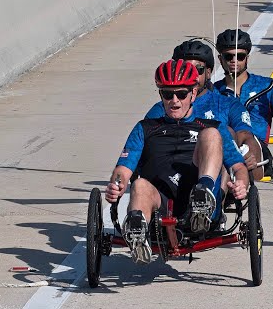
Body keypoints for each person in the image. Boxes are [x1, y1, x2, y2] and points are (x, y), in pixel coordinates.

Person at [105, 60, 251, 264]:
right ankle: (138, 230)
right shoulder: (145, 128)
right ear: (160, 96)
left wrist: (241, 184)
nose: (174, 101)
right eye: (167, 94)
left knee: (211, 134)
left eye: (181, 94)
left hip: (197, 197)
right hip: (160, 203)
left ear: (193, 93)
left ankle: (203, 197)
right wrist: (116, 185)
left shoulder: (211, 126)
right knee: (138, 185)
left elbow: (238, 167)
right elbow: (123, 169)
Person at [212, 29, 273, 181]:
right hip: (224, 146)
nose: (234, 61)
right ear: (220, 59)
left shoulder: (266, 87)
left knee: (245, 141)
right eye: (229, 56)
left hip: (255, 148)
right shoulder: (213, 91)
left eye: (240, 56)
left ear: (247, 58)